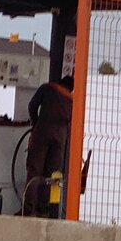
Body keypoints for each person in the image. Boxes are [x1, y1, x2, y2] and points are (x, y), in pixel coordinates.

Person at [22, 74, 74, 216]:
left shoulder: (47, 88)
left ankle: (27, 210)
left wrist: (35, 122)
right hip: (60, 137)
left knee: (34, 171)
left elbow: (32, 105)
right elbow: (72, 123)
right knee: (51, 175)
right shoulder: (71, 100)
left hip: (42, 131)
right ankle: (43, 210)